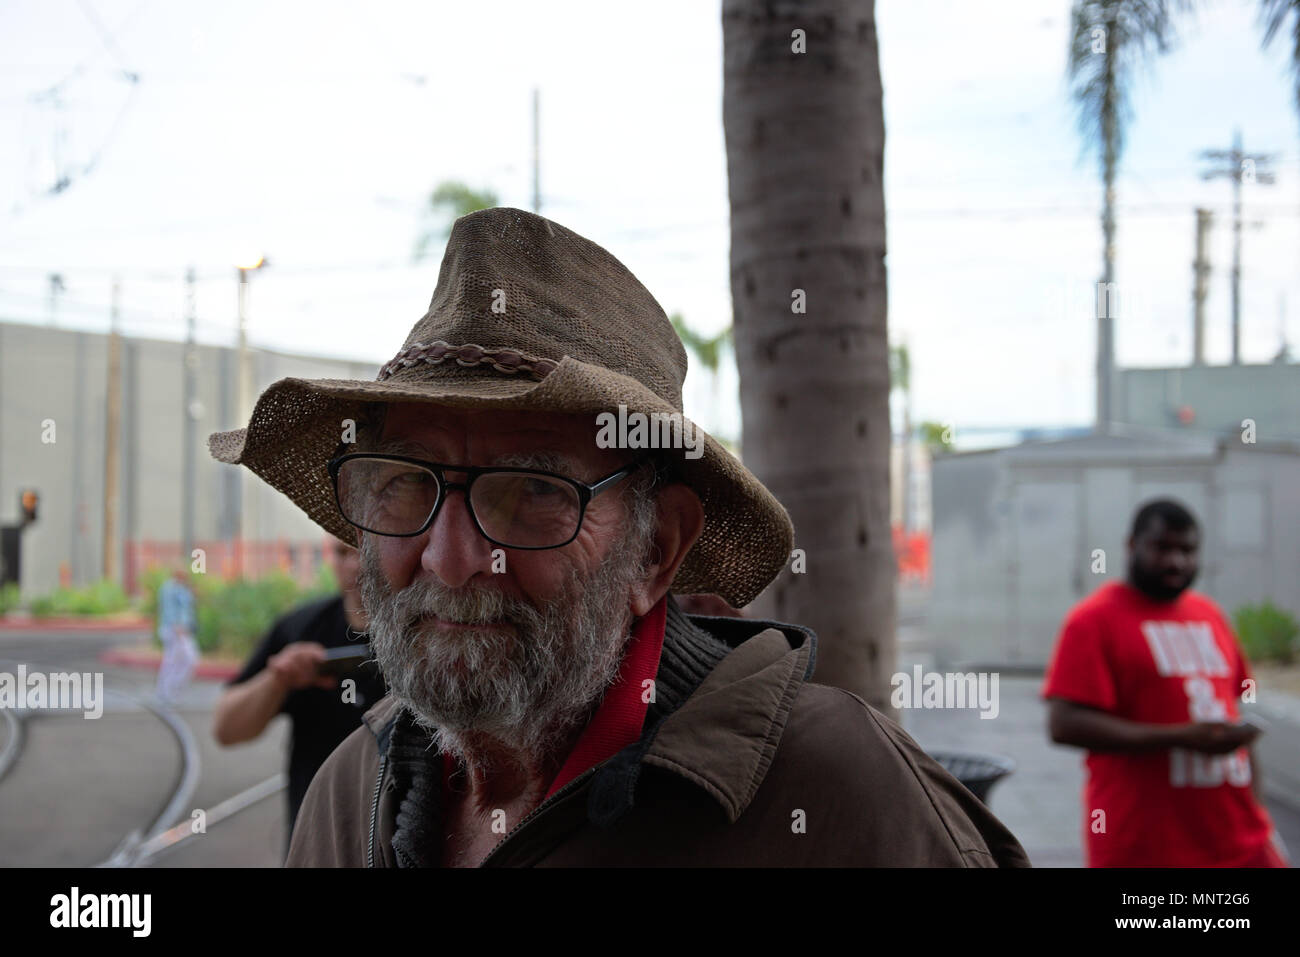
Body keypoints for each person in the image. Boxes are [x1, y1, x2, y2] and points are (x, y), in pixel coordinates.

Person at [209, 206, 1029, 868]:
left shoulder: (838, 794)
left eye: (533, 491)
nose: (452, 558)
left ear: (656, 548)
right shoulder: (353, 790)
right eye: (403, 482)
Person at [1043, 498, 1289, 867]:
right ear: (1132, 546)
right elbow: (1064, 725)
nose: (1176, 561)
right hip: (1147, 845)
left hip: (1241, 841)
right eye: (1162, 548)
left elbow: (1231, 712)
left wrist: (1259, 814)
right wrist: (1181, 737)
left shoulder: (1209, 614)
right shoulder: (1092, 620)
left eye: (1187, 550)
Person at [212, 538, 386, 836]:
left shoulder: (423, 633)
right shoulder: (300, 628)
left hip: (400, 830)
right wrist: (277, 680)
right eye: (343, 552)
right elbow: (227, 729)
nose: (355, 565)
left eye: (367, 550)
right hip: (318, 832)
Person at [155, 567, 199, 706]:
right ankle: (166, 691)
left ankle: (168, 691)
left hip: (181, 629)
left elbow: (187, 606)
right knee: (178, 660)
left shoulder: (180, 588)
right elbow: (169, 609)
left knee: (181, 660)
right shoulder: (169, 588)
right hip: (174, 630)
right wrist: (176, 626)